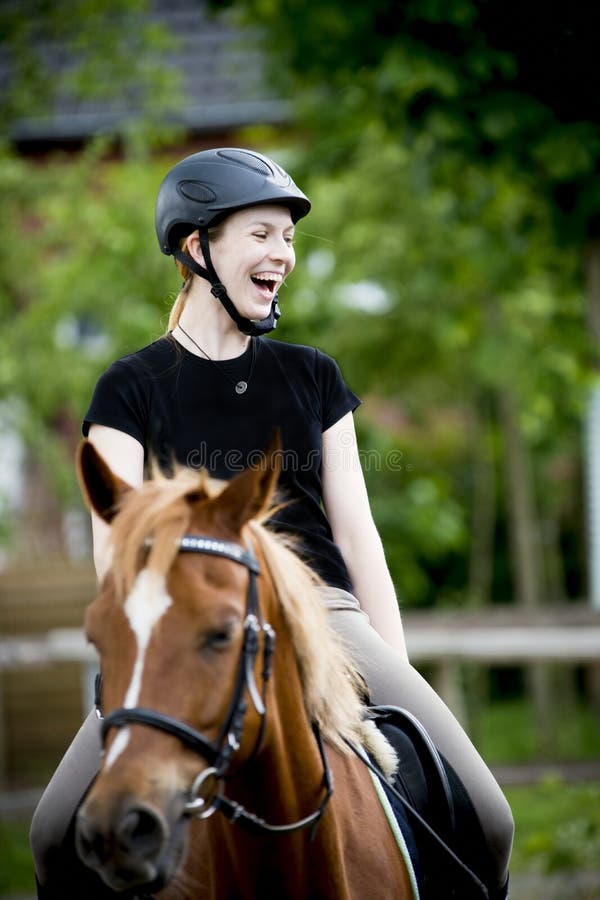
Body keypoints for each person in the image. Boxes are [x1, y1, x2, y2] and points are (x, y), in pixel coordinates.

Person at [30, 147, 513, 897]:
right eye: (262, 234)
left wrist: (397, 667)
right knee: (54, 838)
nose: (282, 254)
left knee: (490, 819)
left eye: (287, 237)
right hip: (182, 632)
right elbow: (117, 560)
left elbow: (356, 537)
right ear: (198, 248)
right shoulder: (126, 389)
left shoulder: (313, 375)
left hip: (323, 617)